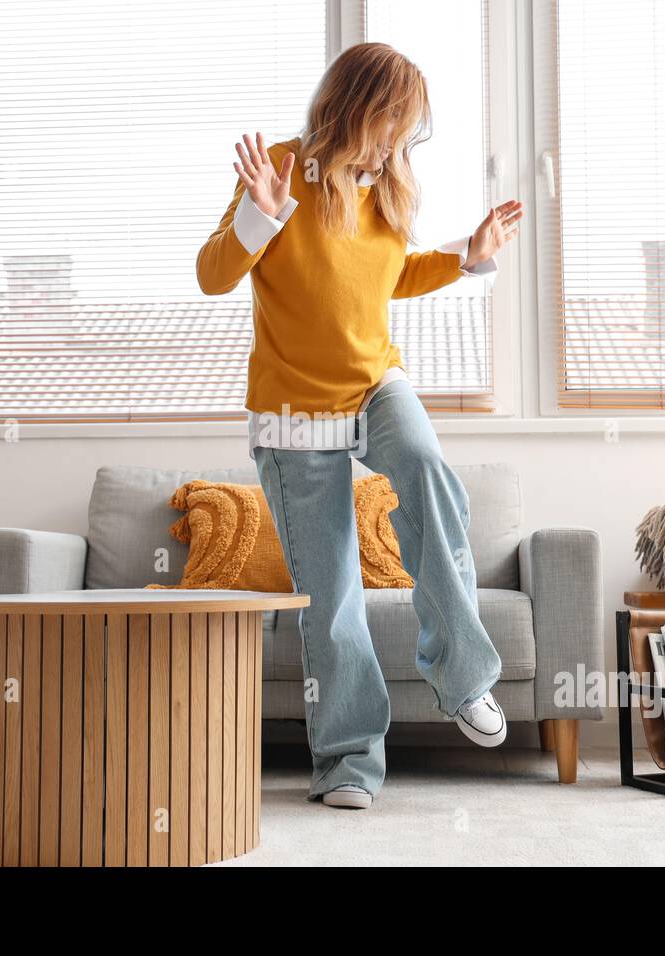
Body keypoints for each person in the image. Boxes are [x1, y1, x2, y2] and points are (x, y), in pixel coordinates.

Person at [196, 42, 522, 810]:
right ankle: (347, 762)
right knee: (332, 590)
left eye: (407, 131)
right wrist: (259, 217)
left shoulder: (385, 188)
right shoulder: (279, 171)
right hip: (292, 413)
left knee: (427, 474)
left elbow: (388, 277)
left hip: (377, 382)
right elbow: (212, 276)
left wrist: (466, 258)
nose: (396, 143)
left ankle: (464, 678)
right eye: (392, 123)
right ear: (354, 106)